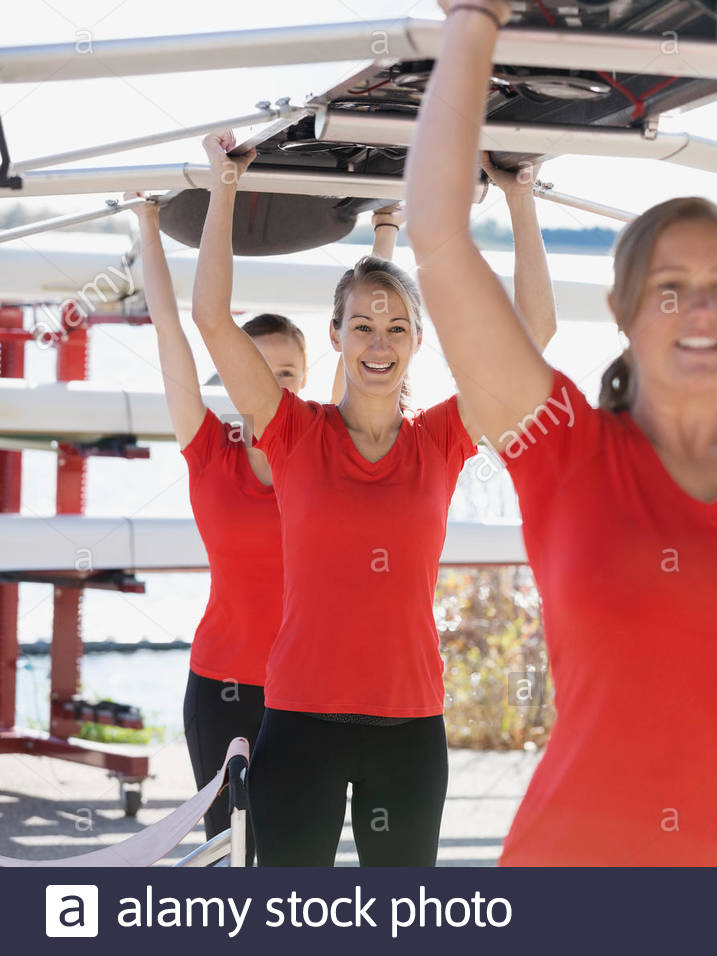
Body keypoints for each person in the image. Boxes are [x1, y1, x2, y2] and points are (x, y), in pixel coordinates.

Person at [403, 0, 717, 864]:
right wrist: (474, 20)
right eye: (671, 286)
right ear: (622, 308)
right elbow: (437, 235)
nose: (700, 310)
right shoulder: (562, 446)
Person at [188, 128, 556, 866]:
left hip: (408, 728)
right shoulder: (292, 430)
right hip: (299, 723)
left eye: (395, 328)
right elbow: (212, 320)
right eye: (362, 326)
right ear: (336, 335)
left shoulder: (441, 439)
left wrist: (520, 199)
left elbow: (533, 332)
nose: (379, 344)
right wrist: (224, 187)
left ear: (417, 339)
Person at [128, 192, 401, 862]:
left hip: (308, 694)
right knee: (232, 858)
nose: (274, 387)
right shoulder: (208, 449)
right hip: (221, 689)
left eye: (287, 375)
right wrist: (148, 223)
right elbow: (170, 330)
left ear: (305, 379)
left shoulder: (321, 449)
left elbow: (363, 344)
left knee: (292, 866)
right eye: (260, 370)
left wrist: (386, 232)